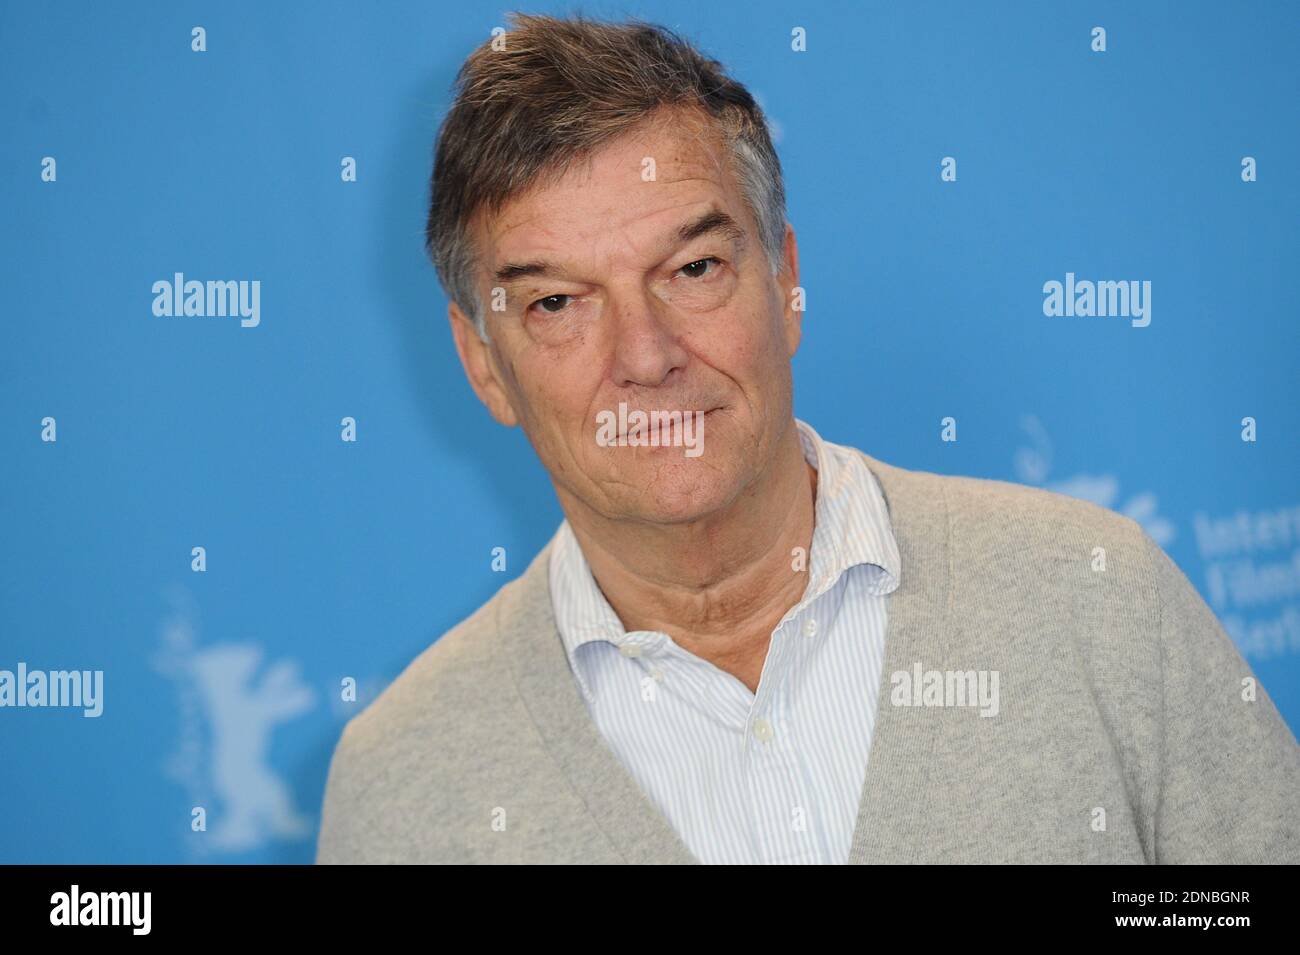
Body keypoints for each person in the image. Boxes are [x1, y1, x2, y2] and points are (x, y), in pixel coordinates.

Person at [316, 12, 1300, 864]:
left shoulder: (1096, 598)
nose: (647, 354)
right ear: (483, 362)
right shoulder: (403, 782)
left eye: (693, 267)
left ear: (784, 282)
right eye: (560, 301)